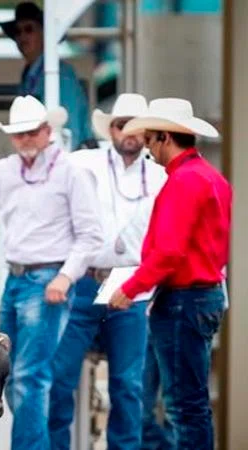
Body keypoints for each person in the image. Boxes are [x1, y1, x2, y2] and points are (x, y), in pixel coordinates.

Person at [0, 95, 103, 449]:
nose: (26, 140)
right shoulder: (7, 170)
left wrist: (65, 276)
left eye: (32, 132)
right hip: (17, 280)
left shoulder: (70, 173)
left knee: (29, 378)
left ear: (48, 131)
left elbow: (91, 234)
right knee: (17, 377)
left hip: (46, 280)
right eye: (19, 134)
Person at [109, 98, 231, 450]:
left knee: (183, 406)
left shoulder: (184, 181)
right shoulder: (212, 178)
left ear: (165, 137)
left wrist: (131, 288)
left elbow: (170, 251)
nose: (148, 148)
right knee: (190, 404)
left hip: (183, 300)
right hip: (203, 295)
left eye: (149, 139)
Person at [48, 93, 167, 450]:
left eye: (135, 126)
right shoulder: (83, 161)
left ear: (145, 132)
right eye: (120, 124)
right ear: (110, 130)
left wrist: (153, 289)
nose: (127, 132)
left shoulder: (161, 176)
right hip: (85, 280)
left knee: (128, 386)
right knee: (58, 377)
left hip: (133, 284)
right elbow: (47, 161)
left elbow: (167, 235)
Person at [0, 1, 96, 150]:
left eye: (29, 29)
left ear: (44, 33)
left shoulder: (61, 75)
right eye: (18, 31)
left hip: (71, 156)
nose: (22, 36)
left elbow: (69, 130)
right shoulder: (30, 73)